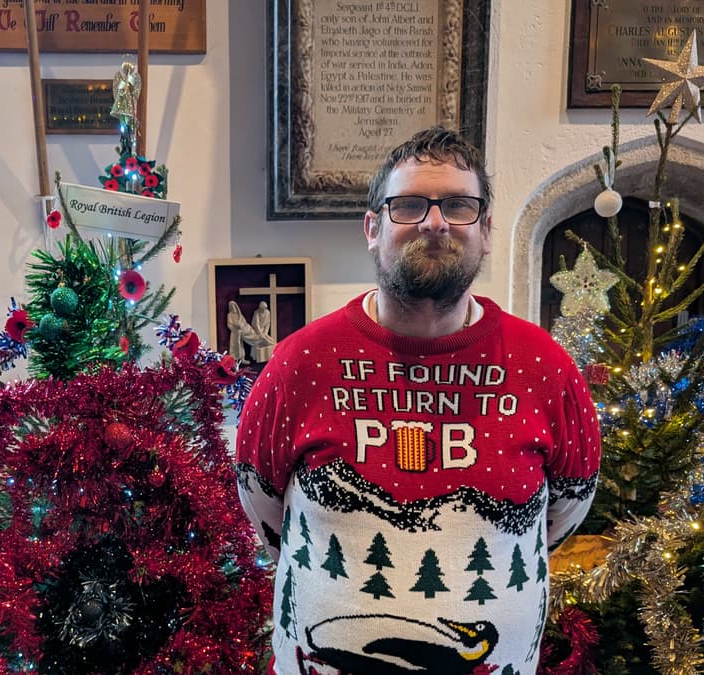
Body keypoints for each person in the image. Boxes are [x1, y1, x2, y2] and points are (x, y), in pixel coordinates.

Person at [235, 127, 601, 675]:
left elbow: (566, 510)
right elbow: (263, 508)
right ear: (372, 228)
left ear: (485, 230)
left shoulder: (544, 367)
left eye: (458, 205)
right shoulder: (300, 363)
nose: (435, 222)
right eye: (409, 205)